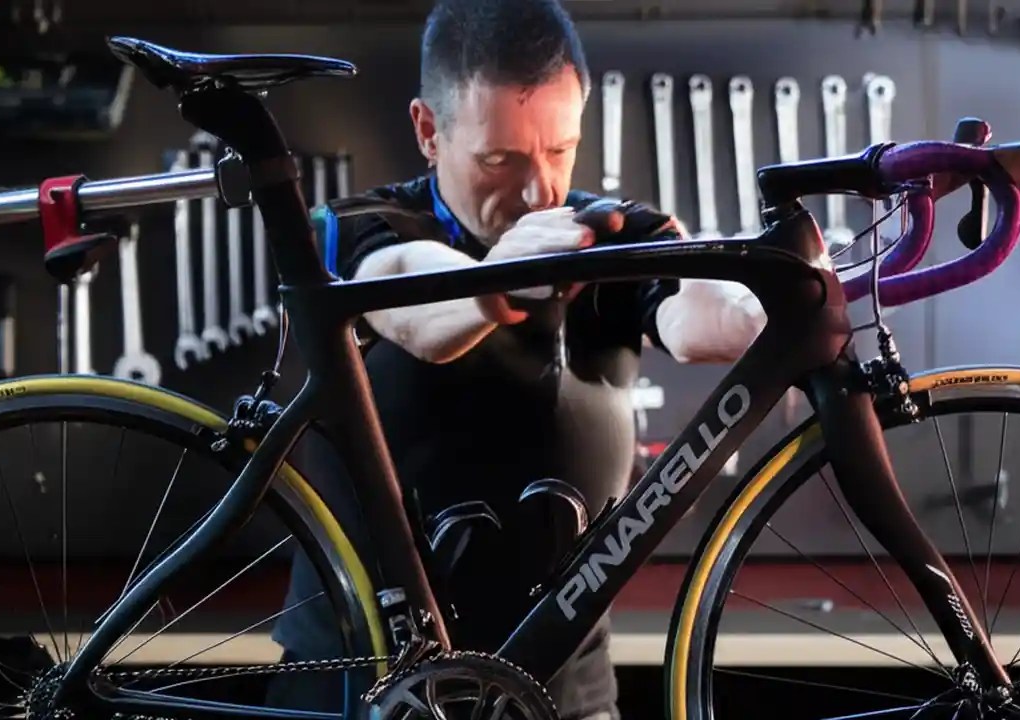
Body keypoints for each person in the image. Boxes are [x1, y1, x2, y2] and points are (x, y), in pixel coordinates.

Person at [267, 0, 768, 717]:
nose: (539, 190)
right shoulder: (360, 228)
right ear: (428, 131)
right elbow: (409, 301)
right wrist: (497, 283)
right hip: (350, 688)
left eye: (559, 150)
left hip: (562, 693)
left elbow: (691, 316)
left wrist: (760, 307)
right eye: (500, 160)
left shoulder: (610, 236)